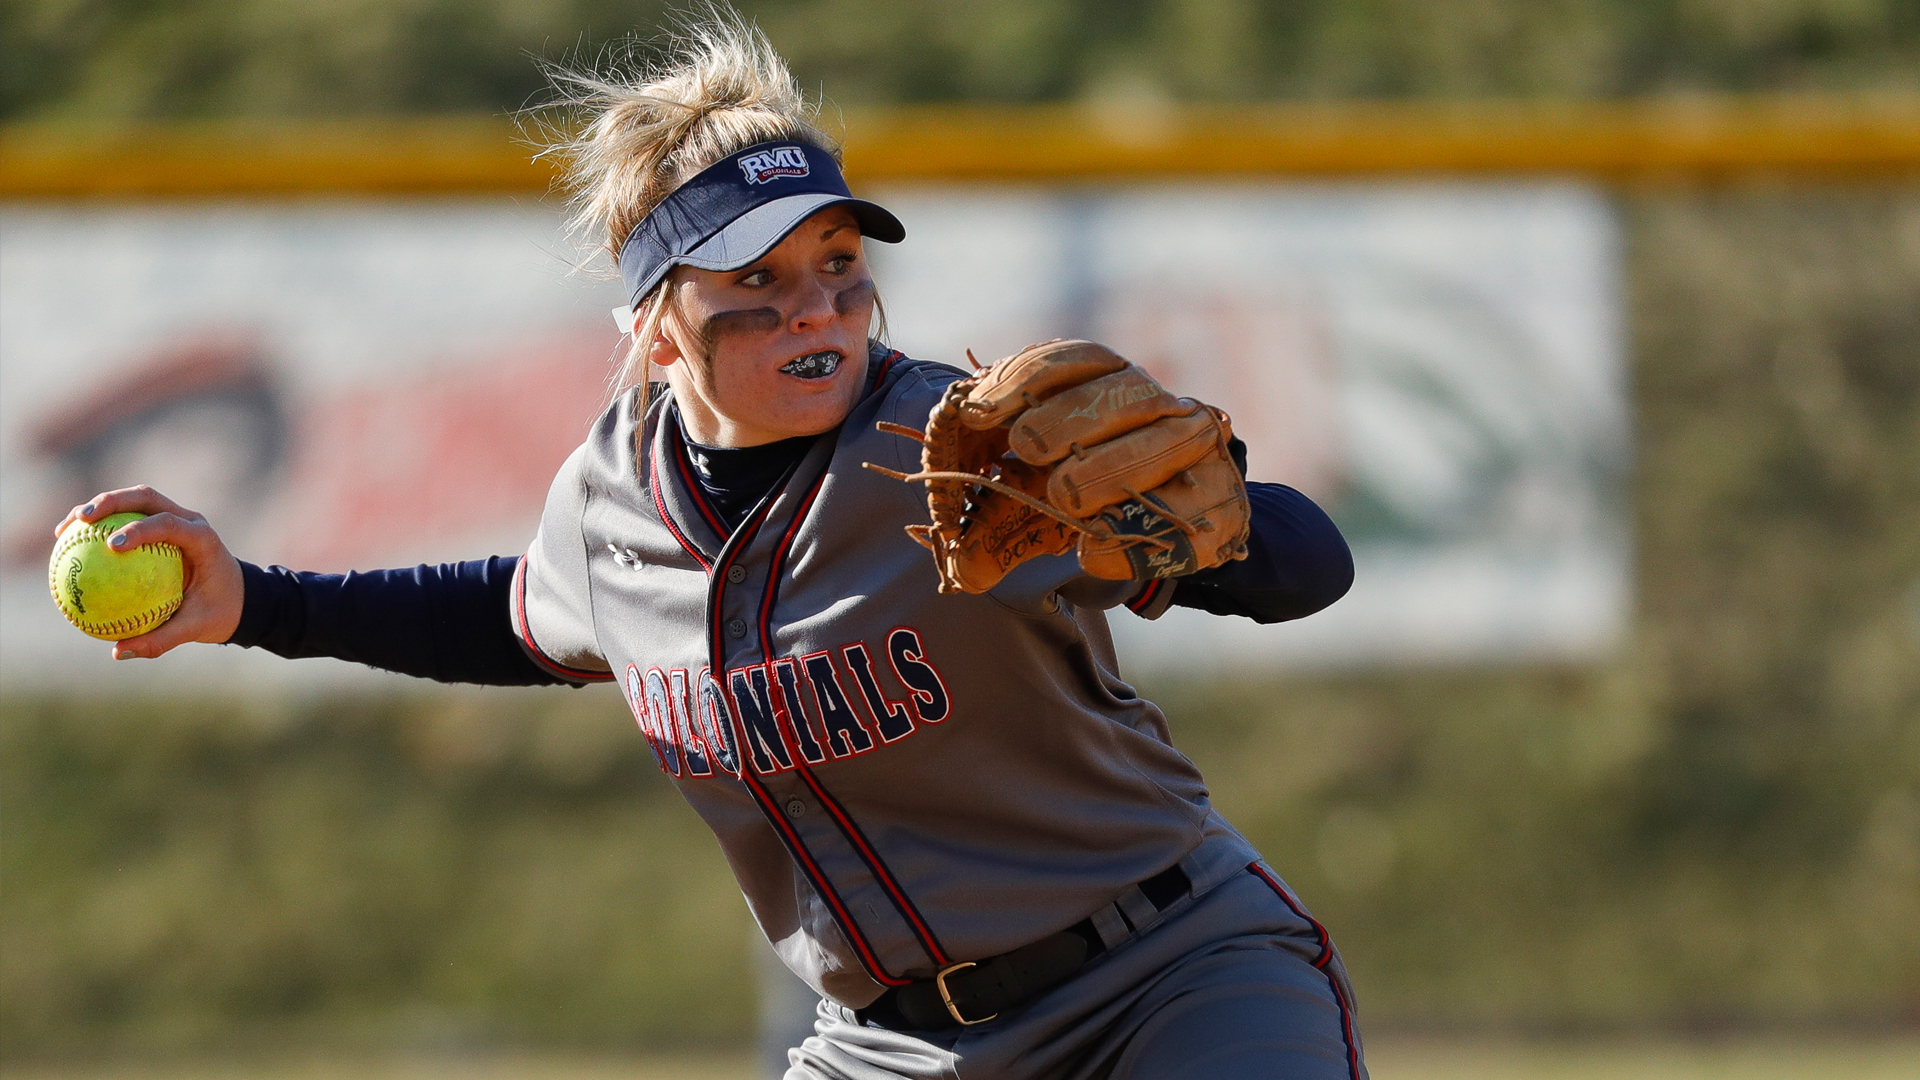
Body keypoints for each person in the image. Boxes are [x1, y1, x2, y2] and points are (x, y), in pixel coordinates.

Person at [58, 11, 1364, 1079]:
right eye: (754, 280)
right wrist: (256, 604)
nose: (817, 304)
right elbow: (519, 616)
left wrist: (1202, 522)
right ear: (656, 326)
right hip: (888, 1047)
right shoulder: (615, 496)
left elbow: (1310, 572)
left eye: (839, 258)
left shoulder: (973, 453)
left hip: (1170, 979)